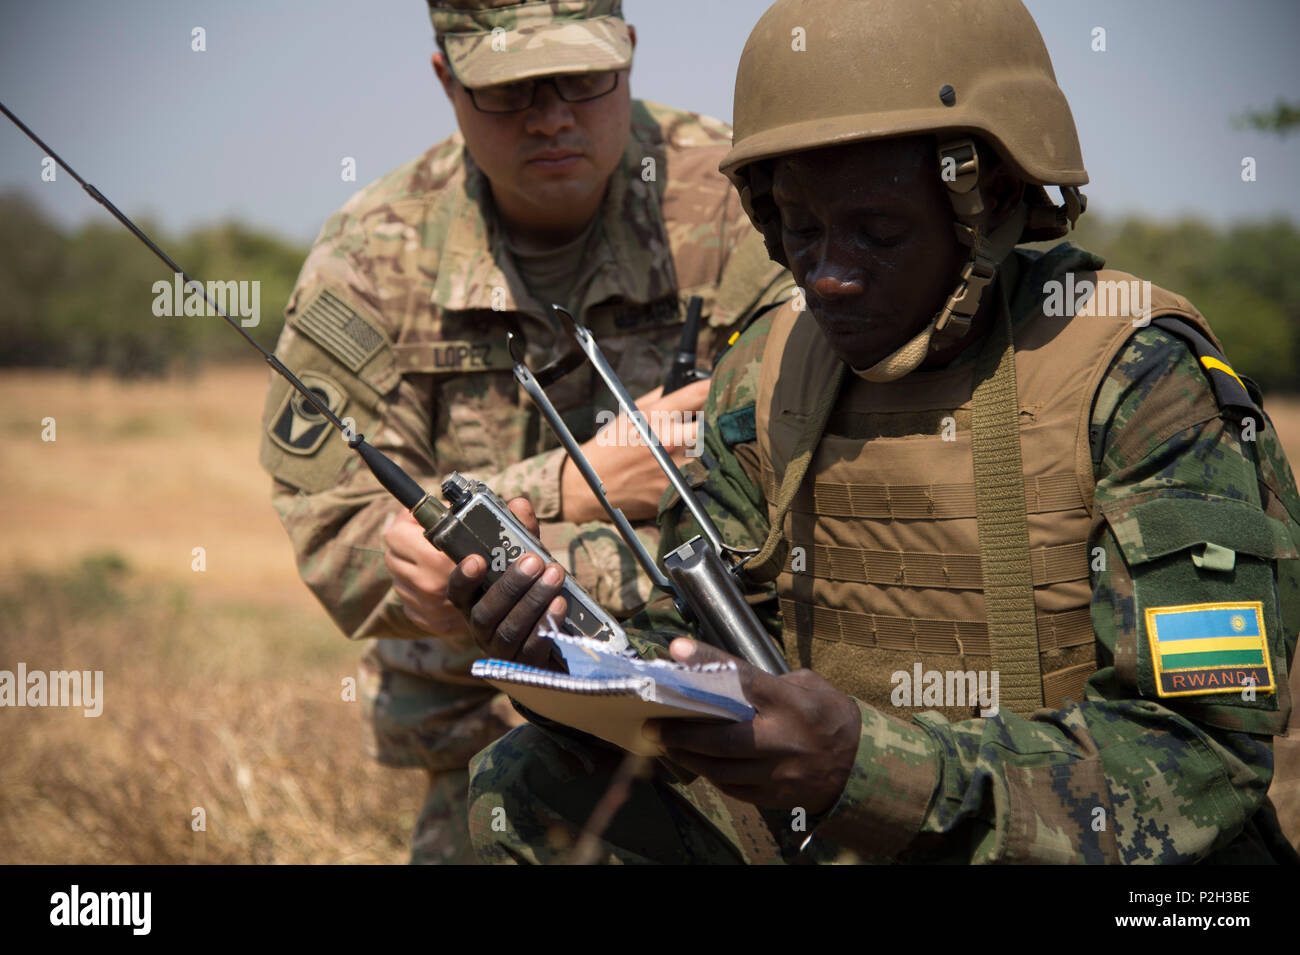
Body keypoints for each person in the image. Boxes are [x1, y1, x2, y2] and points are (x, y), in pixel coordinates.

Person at [454, 0, 1300, 863]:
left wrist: (871, 769)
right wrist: (575, 652)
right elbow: (708, 645)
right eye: (803, 229)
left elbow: (1200, 757)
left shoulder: (1143, 380)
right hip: (841, 831)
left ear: (990, 198)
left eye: (878, 231)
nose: (829, 278)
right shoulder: (768, 373)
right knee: (529, 784)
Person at [258, 0, 791, 864]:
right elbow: (337, 536)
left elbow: (810, 469)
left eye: (582, 78)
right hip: (488, 736)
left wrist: (539, 560)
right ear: (447, 81)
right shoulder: (370, 256)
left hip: (737, 705)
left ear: (629, 53)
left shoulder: (749, 200)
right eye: (509, 91)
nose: (551, 116)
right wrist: (567, 491)